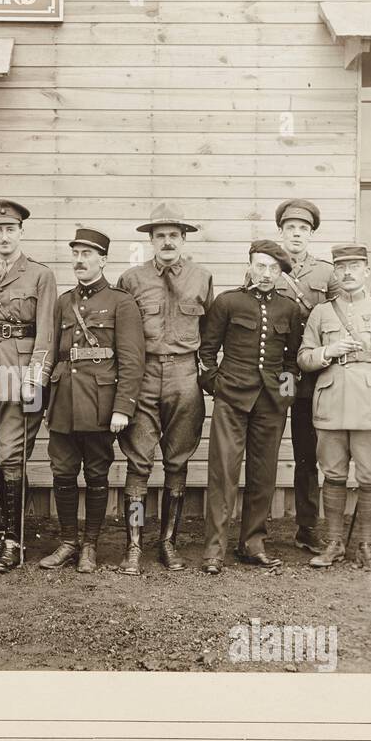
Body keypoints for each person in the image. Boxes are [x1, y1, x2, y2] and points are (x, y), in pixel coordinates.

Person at [297, 245, 371, 570]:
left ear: (366, 271)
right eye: (342, 267)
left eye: (355, 266)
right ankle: (334, 543)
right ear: (334, 273)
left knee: (369, 478)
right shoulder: (321, 313)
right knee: (332, 475)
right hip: (331, 402)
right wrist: (328, 350)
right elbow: (304, 358)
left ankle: (365, 546)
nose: (347, 273)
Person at [114, 203, 214, 574]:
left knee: (178, 461)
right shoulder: (131, 280)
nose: (167, 242)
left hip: (185, 377)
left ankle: (168, 542)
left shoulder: (201, 278)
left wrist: (206, 374)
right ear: (151, 241)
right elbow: (122, 335)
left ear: (184, 239)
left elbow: (209, 336)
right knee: (139, 463)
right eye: (160, 236)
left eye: (174, 235)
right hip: (143, 375)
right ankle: (134, 544)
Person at [40, 228, 144, 573]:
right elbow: (51, 353)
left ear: (103, 260)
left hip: (101, 404)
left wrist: (123, 407)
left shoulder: (121, 302)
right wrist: (40, 402)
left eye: (87, 254)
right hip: (63, 401)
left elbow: (131, 360)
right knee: (63, 473)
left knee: (97, 475)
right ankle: (68, 541)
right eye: (76, 254)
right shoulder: (63, 301)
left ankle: (90, 546)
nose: (80, 260)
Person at [0, 200, 57, 572]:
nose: (4, 236)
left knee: (11, 454)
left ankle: (14, 541)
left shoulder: (39, 275)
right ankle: (0, 528)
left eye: (10, 230)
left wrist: (37, 378)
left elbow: (46, 331)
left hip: (20, 372)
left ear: (21, 232)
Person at [197, 241, 301, 574]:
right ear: (250, 266)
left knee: (264, 474)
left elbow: (291, 362)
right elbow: (207, 352)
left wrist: (285, 396)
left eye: (273, 268)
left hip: (271, 402)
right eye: (261, 266)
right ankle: (215, 548)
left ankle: (252, 543)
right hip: (231, 397)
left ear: (280, 272)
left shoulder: (289, 308)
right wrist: (217, 386)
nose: (267, 274)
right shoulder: (228, 302)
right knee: (223, 472)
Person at [273, 198, 337, 555]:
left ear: (311, 235)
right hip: (275, 370)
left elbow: (340, 317)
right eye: (290, 228)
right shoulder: (267, 268)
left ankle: (307, 526)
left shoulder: (325, 274)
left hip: (311, 371)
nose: (296, 234)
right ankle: (253, 528)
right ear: (281, 232)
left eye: (303, 229)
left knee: (307, 453)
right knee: (264, 448)